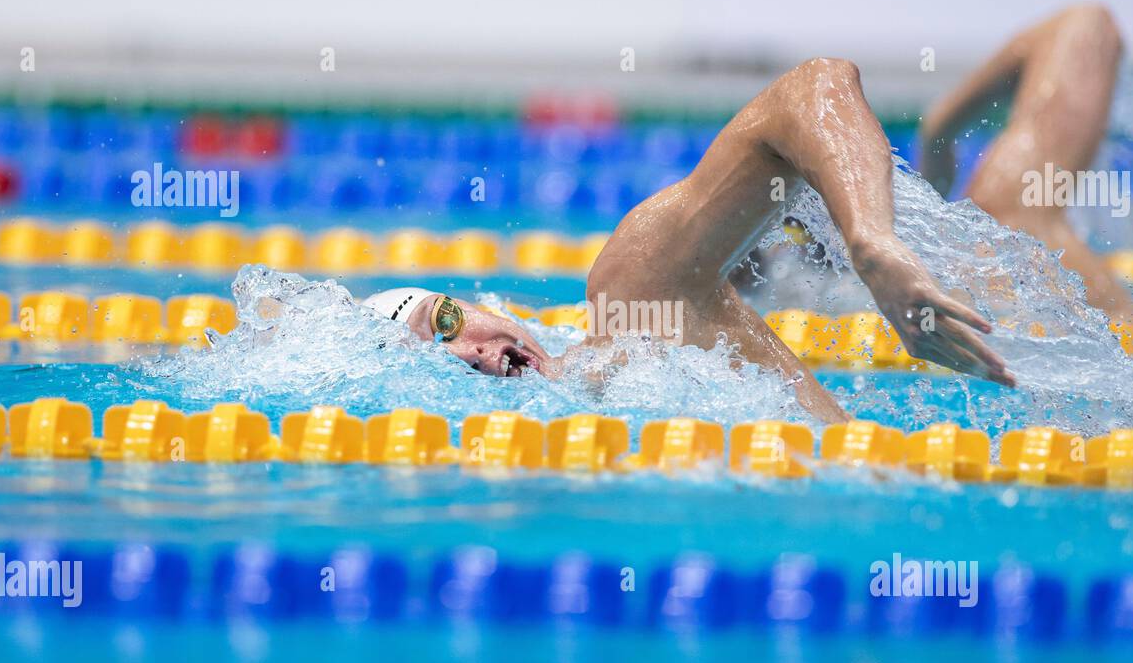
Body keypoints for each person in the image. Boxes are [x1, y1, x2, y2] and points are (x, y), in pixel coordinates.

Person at [367, 57, 1015, 424]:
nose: (475, 355)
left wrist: (872, 245)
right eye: (442, 362)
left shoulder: (632, 301)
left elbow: (813, 87)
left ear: (484, 304)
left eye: (449, 321)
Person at [919, 3, 1133, 320]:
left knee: (967, 330)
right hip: (1024, 210)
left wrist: (936, 211)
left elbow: (935, 128)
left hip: (987, 200)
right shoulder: (1094, 24)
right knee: (1132, 328)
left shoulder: (1032, 40)